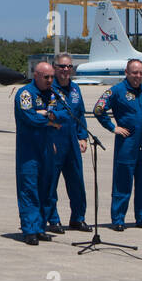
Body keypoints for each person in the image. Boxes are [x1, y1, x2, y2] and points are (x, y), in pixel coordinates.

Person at [92, 58, 142, 230]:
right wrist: (113, 127)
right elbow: (99, 109)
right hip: (126, 144)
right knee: (123, 182)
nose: (138, 76)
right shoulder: (116, 91)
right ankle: (118, 220)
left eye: (140, 72)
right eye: (134, 72)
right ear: (126, 73)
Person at [14, 61, 69, 245]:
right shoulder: (25, 94)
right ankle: (29, 229)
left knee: (46, 189)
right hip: (29, 149)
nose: (50, 80)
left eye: (52, 77)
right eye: (46, 77)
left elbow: (65, 114)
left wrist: (47, 115)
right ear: (36, 75)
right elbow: (29, 117)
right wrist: (48, 119)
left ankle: (40, 227)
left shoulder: (54, 94)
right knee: (29, 189)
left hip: (47, 147)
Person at [46, 53, 90, 233]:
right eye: (62, 66)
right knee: (51, 183)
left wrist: (83, 137)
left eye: (68, 67)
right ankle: (53, 219)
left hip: (72, 141)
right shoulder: (48, 89)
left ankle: (78, 218)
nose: (65, 70)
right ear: (55, 68)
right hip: (55, 141)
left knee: (77, 182)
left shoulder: (75, 89)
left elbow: (80, 115)